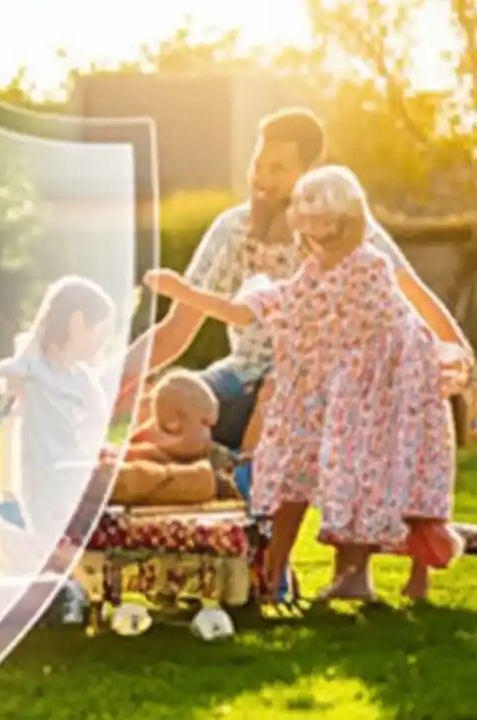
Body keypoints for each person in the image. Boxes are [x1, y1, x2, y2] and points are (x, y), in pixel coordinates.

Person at [116, 107, 473, 596]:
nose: (262, 179)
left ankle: (278, 571)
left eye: (278, 169)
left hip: (321, 379)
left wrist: (461, 358)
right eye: (259, 165)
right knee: (176, 401)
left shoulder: (348, 236)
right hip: (241, 371)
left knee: (286, 419)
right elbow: (186, 325)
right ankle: (171, 554)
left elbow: (408, 291)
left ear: (309, 176)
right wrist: (120, 377)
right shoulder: (232, 230)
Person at [0, 276, 115, 577]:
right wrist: (21, 360)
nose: (102, 343)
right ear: (78, 323)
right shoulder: (32, 371)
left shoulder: (83, 379)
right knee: (53, 557)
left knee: (60, 559)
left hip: (74, 477)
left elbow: (97, 426)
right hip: (42, 478)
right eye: (100, 332)